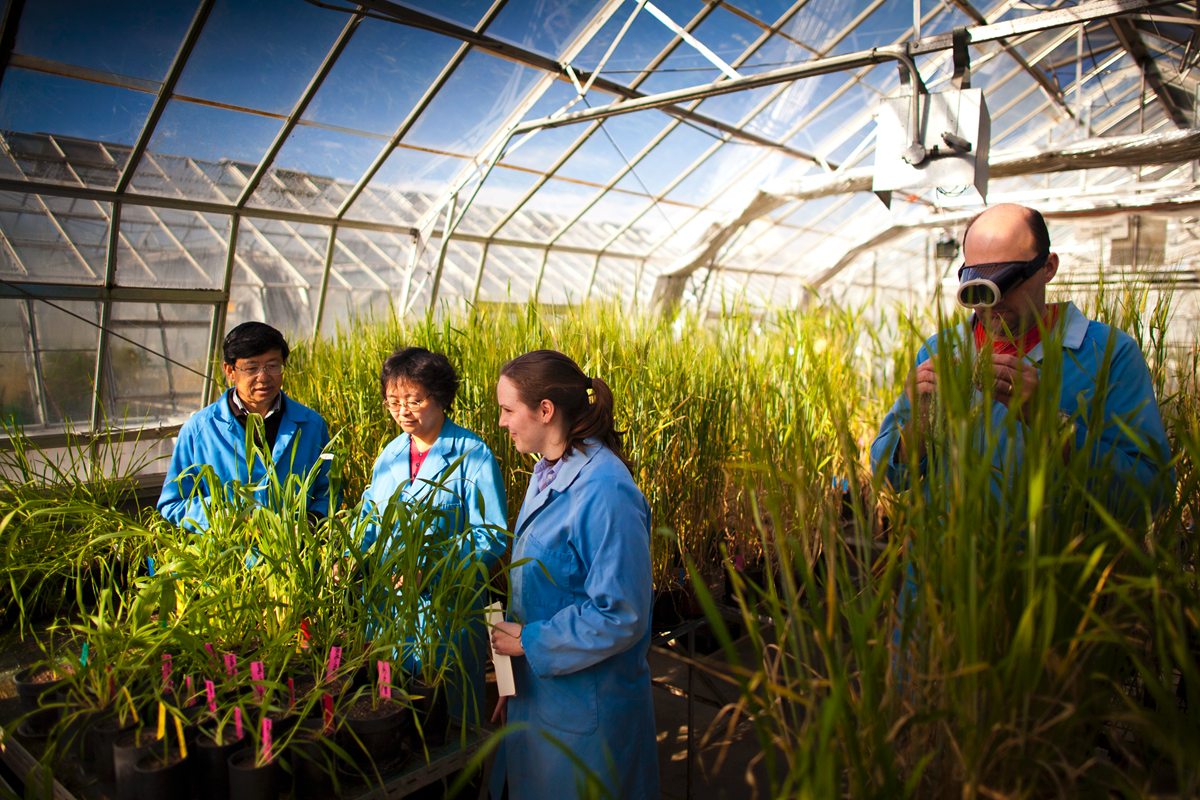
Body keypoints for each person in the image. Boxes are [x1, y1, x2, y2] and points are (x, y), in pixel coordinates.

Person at [870, 203, 1173, 511]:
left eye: (1008, 280)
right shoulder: (941, 350)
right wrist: (922, 423)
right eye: (978, 285)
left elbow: (1152, 495)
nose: (993, 299)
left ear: (1048, 267)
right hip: (944, 557)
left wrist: (1047, 422)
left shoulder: (1107, 352)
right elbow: (888, 478)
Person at [489, 350, 659, 800]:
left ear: (545, 410)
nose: (502, 422)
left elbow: (621, 613)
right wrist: (514, 680)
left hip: (588, 714)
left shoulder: (606, 490)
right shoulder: (545, 472)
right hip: (544, 696)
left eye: (508, 410)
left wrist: (528, 641)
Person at [358, 346, 507, 725]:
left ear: (440, 396)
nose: (402, 412)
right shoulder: (389, 455)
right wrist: (352, 555)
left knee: (451, 715)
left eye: (414, 400)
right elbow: (369, 518)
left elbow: (491, 534)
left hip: (447, 610)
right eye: (393, 402)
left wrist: (432, 568)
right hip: (391, 609)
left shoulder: (473, 455)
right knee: (396, 714)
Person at [158, 322, 334, 531]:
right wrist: (226, 519)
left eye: (273, 365)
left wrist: (311, 521)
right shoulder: (199, 431)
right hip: (231, 558)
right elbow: (173, 503)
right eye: (251, 368)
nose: (263, 377)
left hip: (296, 558)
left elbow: (328, 490)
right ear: (230, 371)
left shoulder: (312, 426)